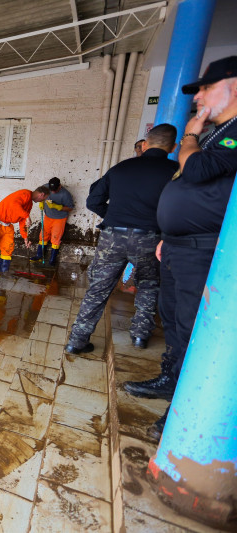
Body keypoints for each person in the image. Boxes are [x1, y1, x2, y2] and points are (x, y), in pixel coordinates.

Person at [124, 56, 237, 441]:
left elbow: (199, 172)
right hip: (175, 245)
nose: (200, 95)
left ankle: (184, 410)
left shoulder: (225, 134)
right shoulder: (212, 135)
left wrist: (189, 135)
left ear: (233, 86)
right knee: (171, 317)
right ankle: (170, 379)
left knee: (192, 326)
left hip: (204, 247)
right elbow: (184, 181)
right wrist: (164, 236)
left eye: (206, 87)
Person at [64, 123, 179, 355]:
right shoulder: (176, 171)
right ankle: (139, 336)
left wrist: (116, 218)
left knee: (97, 289)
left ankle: (76, 341)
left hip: (112, 237)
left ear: (145, 145)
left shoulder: (120, 168)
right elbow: (181, 209)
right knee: (148, 286)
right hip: (150, 239)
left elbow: (93, 201)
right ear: (173, 147)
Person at [0, 187, 50, 284]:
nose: (43, 201)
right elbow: (14, 205)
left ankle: (3, 272)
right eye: (44, 199)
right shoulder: (25, 194)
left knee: (8, 248)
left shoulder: (29, 204)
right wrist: (27, 216)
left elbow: (23, 220)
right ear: (41, 195)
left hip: (7, 224)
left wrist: (25, 238)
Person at [31, 177, 74, 266]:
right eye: (51, 190)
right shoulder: (45, 187)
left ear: (60, 186)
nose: (53, 192)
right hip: (48, 216)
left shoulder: (65, 194)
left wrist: (58, 207)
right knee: (43, 235)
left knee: (55, 238)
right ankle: (39, 255)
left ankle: (52, 259)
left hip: (60, 218)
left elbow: (70, 208)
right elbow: (39, 195)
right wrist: (41, 202)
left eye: (55, 190)